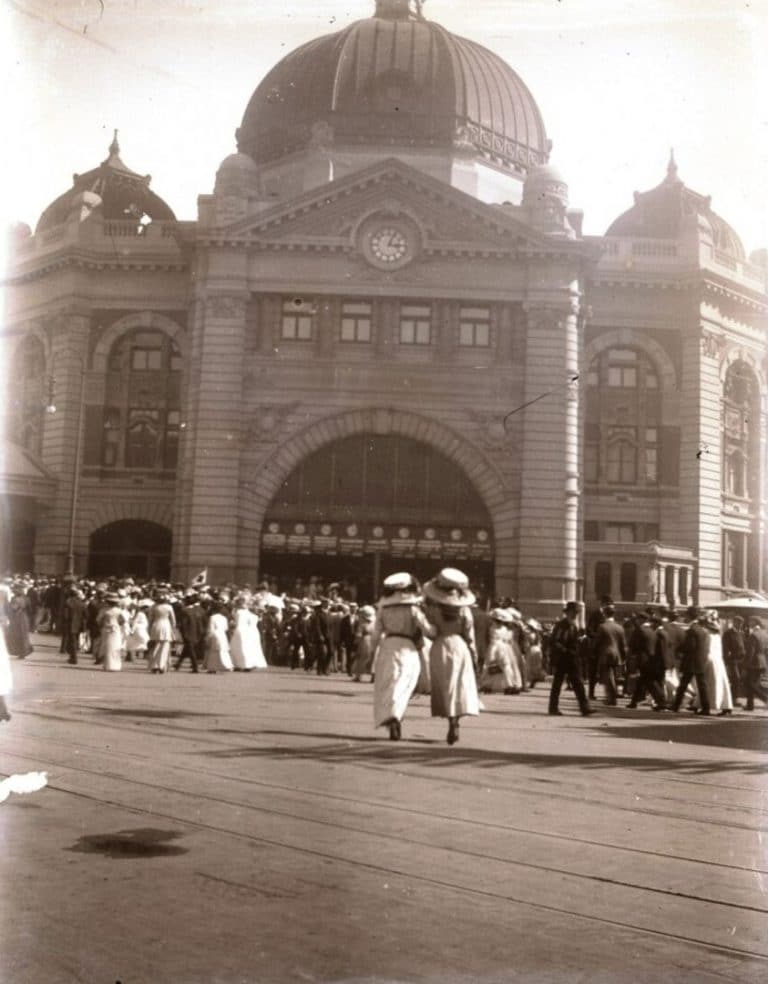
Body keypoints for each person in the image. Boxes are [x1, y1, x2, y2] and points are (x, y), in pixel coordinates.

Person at [370, 574, 431, 740]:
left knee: (387, 684)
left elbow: (376, 634)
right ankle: (396, 714)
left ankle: (390, 716)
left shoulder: (383, 609)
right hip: (407, 648)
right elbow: (427, 630)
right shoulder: (413, 609)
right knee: (404, 684)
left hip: (388, 647)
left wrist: (371, 653)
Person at [424, 568, 480, 745]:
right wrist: (474, 656)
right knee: (459, 685)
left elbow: (431, 632)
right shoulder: (465, 611)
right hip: (459, 647)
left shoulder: (433, 611)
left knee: (445, 685)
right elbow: (470, 637)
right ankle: (456, 719)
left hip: (440, 646)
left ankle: (450, 718)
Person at [547, 601, 592, 717]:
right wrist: (564, 650)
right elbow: (554, 641)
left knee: (578, 683)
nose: (575, 615)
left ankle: (585, 708)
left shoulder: (574, 625)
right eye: (573, 612)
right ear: (567, 613)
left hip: (573, 658)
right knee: (557, 684)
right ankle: (553, 708)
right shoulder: (561, 625)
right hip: (562, 658)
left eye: (576, 613)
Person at [672, 608, 711, 715]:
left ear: (690, 616)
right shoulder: (702, 630)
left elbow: (690, 646)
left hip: (691, 660)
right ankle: (706, 707)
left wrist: (679, 649)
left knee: (683, 684)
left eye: (686, 615)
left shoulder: (692, 630)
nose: (685, 617)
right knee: (701, 685)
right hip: (700, 660)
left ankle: (676, 705)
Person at [695, 610, 733, 715]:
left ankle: (705, 706)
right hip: (718, 659)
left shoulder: (706, 633)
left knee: (707, 683)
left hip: (709, 658)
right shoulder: (718, 634)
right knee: (721, 682)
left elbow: (705, 648)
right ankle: (726, 705)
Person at [478, 608, 523, 694]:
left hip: (495, 647)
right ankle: (508, 684)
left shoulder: (492, 628)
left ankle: (487, 684)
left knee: (491, 666)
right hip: (503, 648)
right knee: (505, 666)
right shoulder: (504, 629)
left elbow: (491, 640)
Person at [591, 604, 626, 706]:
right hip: (617, 654)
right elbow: (623, 644)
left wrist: (593, 652)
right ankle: (611, 697)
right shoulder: (619, 627)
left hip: (606, 654)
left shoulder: (602, 627)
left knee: (608, 676)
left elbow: (597, 642)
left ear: (605, 614)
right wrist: (623, 657)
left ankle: (611, 698)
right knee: (613, 676)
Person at [231, 595, 267, 671]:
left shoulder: (240, 612)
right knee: (243, 648)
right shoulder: (245, 612)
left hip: (244, 630)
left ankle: (243, 664)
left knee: (242, 648)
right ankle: (242, 664)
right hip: (246, 630)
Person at [176, 590, 207, 672]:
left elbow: (183, 624)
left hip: (189, 633)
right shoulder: (201, 610)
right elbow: (205, 622)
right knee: (188, 648)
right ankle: (178, 664)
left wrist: (183, 634)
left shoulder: (185, 611)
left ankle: (195, 667)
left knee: (191, 649)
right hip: (199, 633)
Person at [742, 617, 768, 711]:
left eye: (751, 621)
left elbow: (750, 652)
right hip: (762, 661)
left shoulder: (754, 635)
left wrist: (745, 666)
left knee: (750, 684)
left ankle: (765, 698)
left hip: (753, 663)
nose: (749, 623)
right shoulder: (764, 634)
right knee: (752, 683)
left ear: (755, 622)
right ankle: (750, 705)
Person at [148, 592, 177, 674]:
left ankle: (154, 665)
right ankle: (161, 665)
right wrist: (173, 630)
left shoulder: (153, 607)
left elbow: (150, 619)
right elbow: (173, 621)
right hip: (166, 626)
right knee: (165, 647)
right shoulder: (169, 607)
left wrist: (149, 629)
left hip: (156, 625)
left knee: (155, 646)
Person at [98, 593, 127, 672]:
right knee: (115, 647)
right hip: (116, 630)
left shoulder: (104, 610)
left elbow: (98, 620)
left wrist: (102, 625)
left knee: (107, 647)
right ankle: (115, 665)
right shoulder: (119, 611)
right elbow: (123, 621)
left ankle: (107, 665)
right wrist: (117, 624)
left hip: (106, 629)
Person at [722, 616, 745, 706]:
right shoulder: (728, 633)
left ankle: (732, 698)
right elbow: (725, 647)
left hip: (741, 660)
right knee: (736, 678)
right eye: (738, 622)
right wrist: (726, 660)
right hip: (733, 659)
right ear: (734, 622)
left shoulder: (741, 633)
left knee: (737, 679)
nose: (740, 624)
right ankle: (733, 699)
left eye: (741, 623)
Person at [204, 601, 233, 673]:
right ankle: (226, 665)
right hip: (222, 634)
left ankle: (212, 667)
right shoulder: (224, 618)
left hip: (215, 634)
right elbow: (226, 628)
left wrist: (208, 637)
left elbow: (210, 629)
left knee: (213, 651)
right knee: (223, 651)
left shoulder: (212, 617)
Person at [5, 585, 33, 659]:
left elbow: (12, 609)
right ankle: (23, 652)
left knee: (16, 635)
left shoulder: (14, 599)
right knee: (23, 635)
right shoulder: (27, 599)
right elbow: (30, 610)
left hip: (16, 618)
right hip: (24, 618)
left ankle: (20, 652)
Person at [352, 605, 376, 682]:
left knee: (361, 658)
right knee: (373, 658)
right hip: (374, 640)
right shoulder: (375, 623)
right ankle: (373, 676)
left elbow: (358, 635)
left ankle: (358, 676)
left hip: (364, 641)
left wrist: (355, 642)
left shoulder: (362, 623)